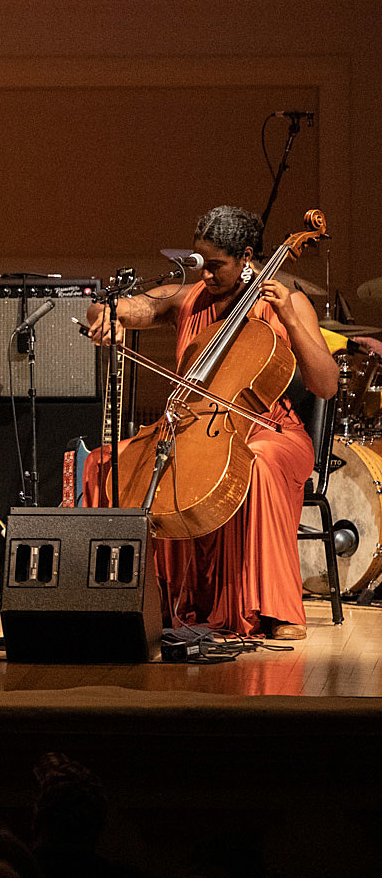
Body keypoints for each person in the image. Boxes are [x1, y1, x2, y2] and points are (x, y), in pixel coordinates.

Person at [84, 206, 338, 639]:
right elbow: (119, 308)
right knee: (107, 463)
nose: (205, 275)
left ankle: (274, 610)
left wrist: (292, 321)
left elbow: (326, 384)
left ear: (247, 257)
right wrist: (107, 319)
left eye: (217, 265)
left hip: (268, 429)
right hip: (191, 424)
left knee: (254, 465)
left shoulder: (286, 303)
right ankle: (137, 598)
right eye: (200, 263)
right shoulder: (188, 299)